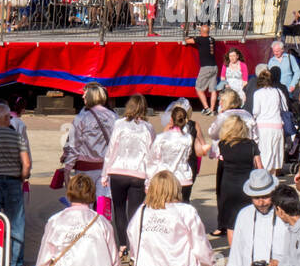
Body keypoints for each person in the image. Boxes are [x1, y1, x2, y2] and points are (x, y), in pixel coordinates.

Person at [0, 102, 32, 266]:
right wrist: (22, 177)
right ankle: (15, 264)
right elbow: (26, 163)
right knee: (17, 223)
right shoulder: (16, 137)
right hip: (13, 182)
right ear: (4, 118)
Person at [102, 94, 155, 253]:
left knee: (119, 210)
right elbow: (150, 155)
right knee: (134, 212)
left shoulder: (119, 124)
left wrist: (105, 174)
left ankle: (123, 244)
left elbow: (111, 149)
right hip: (138, 173)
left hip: (117, 171)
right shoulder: (148, 128)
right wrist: (150, 180)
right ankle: (134, 248)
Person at [62, 83, 118, 205]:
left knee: (84, 201)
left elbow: (74, 145)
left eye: (85, 95)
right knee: (103, 203)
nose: (83, 98)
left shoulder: (81, 118)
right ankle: (102, 223)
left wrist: (68, 167)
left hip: (84, 167)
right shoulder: (114, 117)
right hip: (106, 167)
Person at [147, 104, 209, 202]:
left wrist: (149, 181)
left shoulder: (162, 137)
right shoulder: (188, 138)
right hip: (184, 177)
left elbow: (154, 158)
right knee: (184, 205)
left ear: (171, 119)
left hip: (167, 177)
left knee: (166, 206)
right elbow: (191, 153)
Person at [216, 114, 262, 241]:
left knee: (231, 224)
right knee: (248, 220)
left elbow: (221, 163)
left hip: (228, 186)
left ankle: (234, 254)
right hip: (247, 186)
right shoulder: (252, 145)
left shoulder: (223, 145)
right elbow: (260, 167)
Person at [251, 69, 289, 176]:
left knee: (265, 154)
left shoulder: (258, 93)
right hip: (277, 126)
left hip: (263, 127)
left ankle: (264, 179)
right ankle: (272, 178)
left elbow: (256, 111)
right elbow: (285, 108)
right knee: (275, 155)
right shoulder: (278, 92)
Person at [186, 23, 219, 114]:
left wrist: (188, 36)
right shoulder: (212, 39)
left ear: (201, 32)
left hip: (206, 67)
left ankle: (206, 108)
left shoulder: (200, 39)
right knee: (213, 90)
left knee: (199, 88)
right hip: (214, 67)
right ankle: (212, 110)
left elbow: (188, 41)